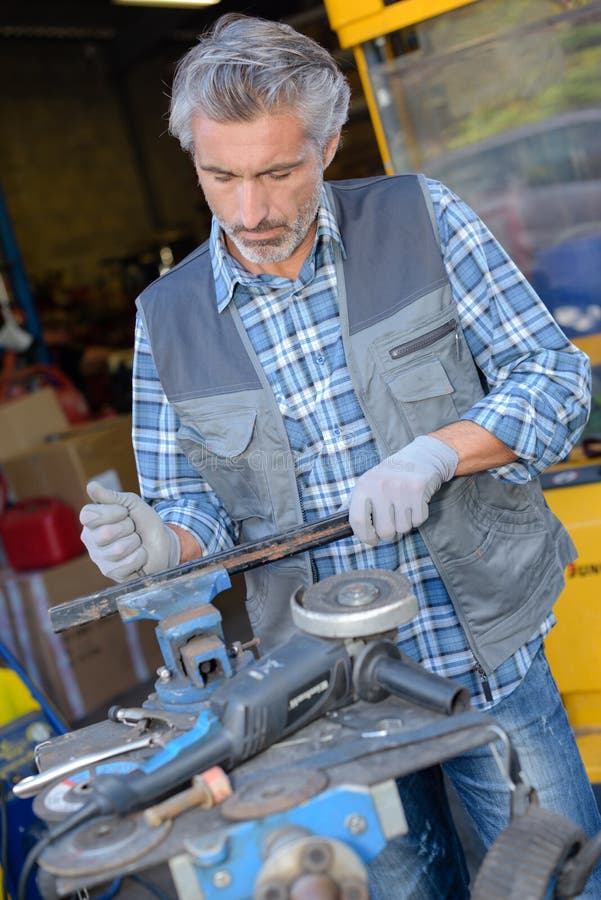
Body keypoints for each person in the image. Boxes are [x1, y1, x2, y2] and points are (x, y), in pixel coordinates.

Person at [80, 14, 601, 897]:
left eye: (279, 172)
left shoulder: (417, 219)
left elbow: (554, 377)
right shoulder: (165, 319)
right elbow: (194, 508)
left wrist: (437, 453)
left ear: (326, 146)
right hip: (326, 702)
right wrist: (163, 547)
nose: (252, 212)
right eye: (222, 177)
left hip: (484, 658)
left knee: (557, 882)